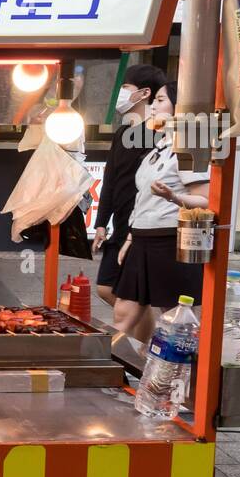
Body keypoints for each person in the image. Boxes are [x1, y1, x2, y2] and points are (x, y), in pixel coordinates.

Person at [111, 90, 211, 346]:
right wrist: (130, 237)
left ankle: (172, 377)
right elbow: (143, 197)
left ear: (180, 107)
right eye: (153, 100)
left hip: (169, 240)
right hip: (142, 237)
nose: (152, 106)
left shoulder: (190, 145)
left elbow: (205, 200)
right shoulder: (159, 145)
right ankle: (123, 368)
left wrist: (173, 198)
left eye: (160, 100)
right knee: (123, 311)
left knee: (173, 320)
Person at [93, 65, 169, 307]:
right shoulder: (123, 132)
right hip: (120, 225)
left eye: (125, 88)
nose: (120, 94)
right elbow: (110, 180)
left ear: (144, 93)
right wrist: (101, 223)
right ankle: (147, 336)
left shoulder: (164, 135)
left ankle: (147, 338)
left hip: (145, 225)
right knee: (106, 288)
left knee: (134, 298)